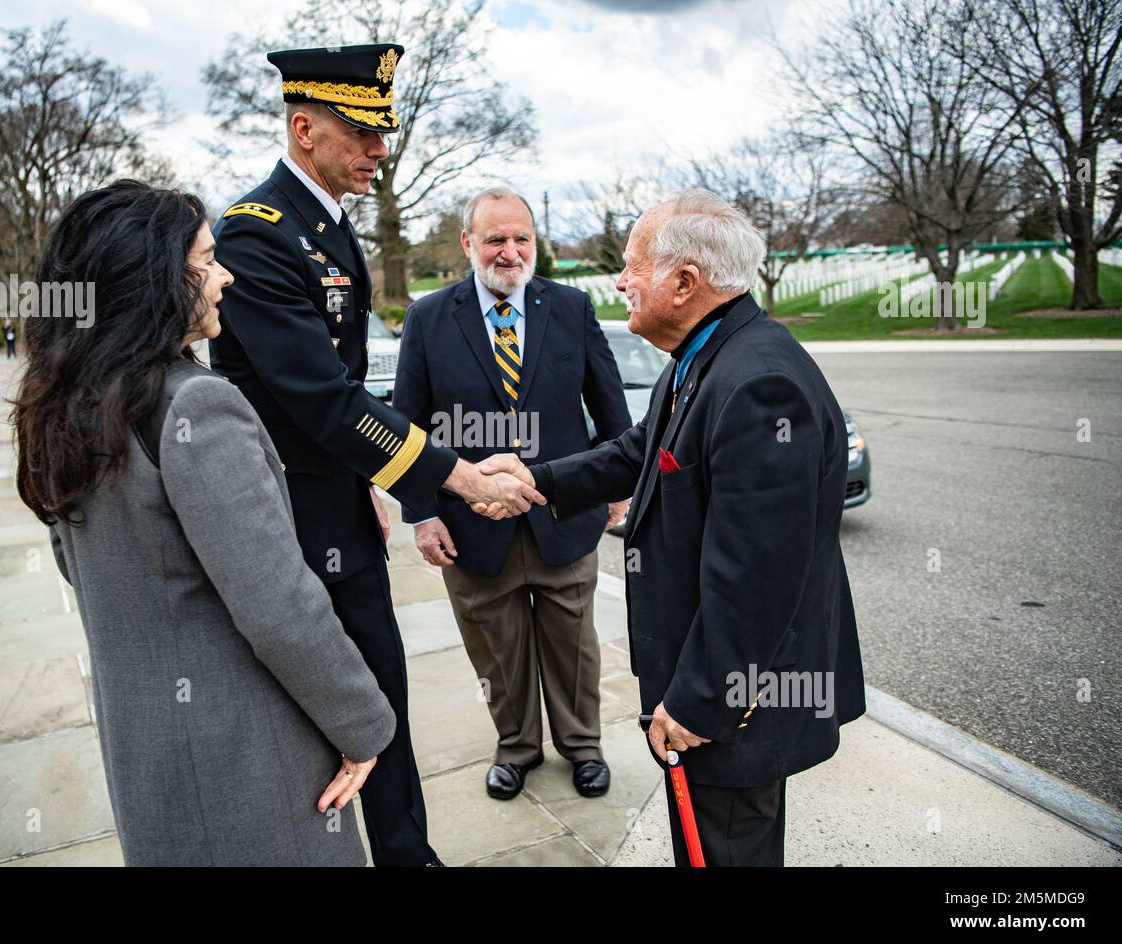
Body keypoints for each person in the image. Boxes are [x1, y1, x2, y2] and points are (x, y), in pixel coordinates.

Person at [209, 43, 540, 867]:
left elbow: (346, 396)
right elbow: (324, 400)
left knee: (380, 698)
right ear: (304, 127)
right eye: (361, 132)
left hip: (339, 510)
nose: (379, 151)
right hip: (285, 520)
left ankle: (407, 856)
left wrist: (385, 480)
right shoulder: (258, 234)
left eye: (381, 133)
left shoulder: (322, 224)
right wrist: (456, 476)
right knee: (317, 716)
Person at [12, 179, 397, 866]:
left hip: (146, 751)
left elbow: (87, 577)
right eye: (206, 260)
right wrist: (364, 724)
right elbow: (279, 604)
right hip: (250, 759)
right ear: (155, 280)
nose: (224, 276)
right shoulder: (198, 408)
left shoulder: (65, 408)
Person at [476, 190, 866, 866]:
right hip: (708, 691)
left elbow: (758, 580)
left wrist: (700, 706)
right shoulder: (705, 355)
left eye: (632, 268)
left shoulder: (760, 386)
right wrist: (536, 480)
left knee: (727, 850)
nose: (620, 282)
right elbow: (640, 452)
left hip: (733, 710)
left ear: (686, 282)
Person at [394, 187, 632, 800]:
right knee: (497, 648)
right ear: (468, 243)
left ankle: (582, 746)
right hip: (470, 524)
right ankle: (517, 746)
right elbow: (407, 425)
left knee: (574, 645)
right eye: (495, 238)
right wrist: (421, 515)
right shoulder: (427, 317)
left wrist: (615, 487)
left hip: (564, 514)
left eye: (521, 237)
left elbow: (609, 409)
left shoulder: (573, 308)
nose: (509, 251)